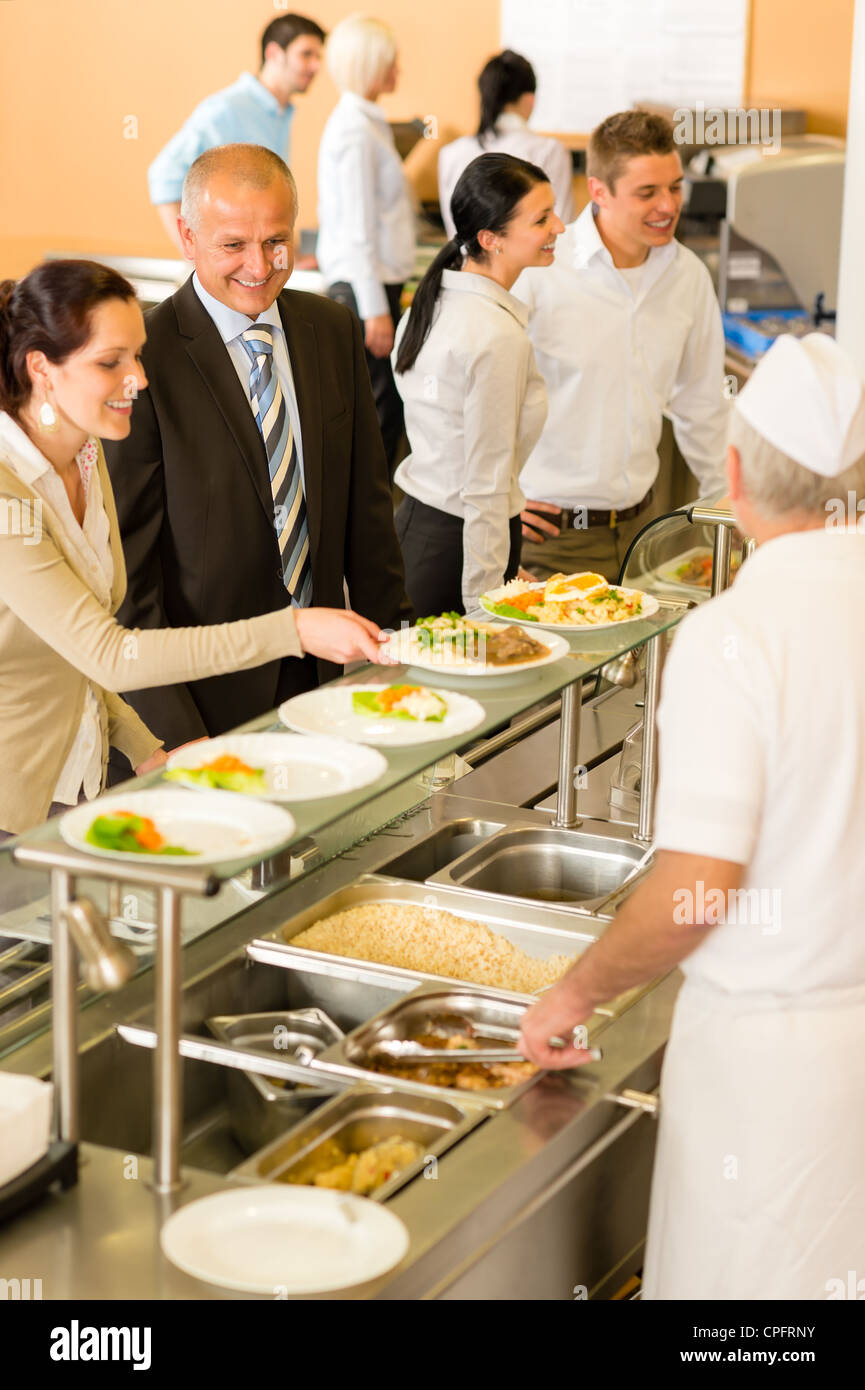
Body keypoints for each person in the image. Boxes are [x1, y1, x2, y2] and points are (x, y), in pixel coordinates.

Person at [520, 333, 865, 1300]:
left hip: (770, 1072)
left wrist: (571, 996)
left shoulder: (734, 637)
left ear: (737, 477)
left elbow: (694, 894)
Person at [0, 260, 391, 838]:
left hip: (79, 774)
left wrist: (145, 746)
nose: (139, 377)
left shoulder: (86, 455)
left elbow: (74, 656)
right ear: (42, 369)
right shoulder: (9, 496)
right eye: (111, 362)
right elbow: (107, 651)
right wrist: (294, 631)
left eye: (137, 354)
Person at [103, 144, 409, 754]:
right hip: (204, 698)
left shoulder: (332, 328)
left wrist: (396, 660)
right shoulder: (143, 359)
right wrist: (175, 735)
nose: (259, 264)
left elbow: (368, 517)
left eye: (277, 240)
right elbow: (131, 580)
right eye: (233, 245)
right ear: (187, 237)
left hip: (326, 677)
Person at [514, 109, 729, 583]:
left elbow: (703, 405)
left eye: (674, 187)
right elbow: (456, 381)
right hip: (549, 539)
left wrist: (728, 515)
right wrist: (495, 501)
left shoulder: (688, 276)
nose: (668, 206)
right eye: (647, 193)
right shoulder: (541, 269)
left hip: (647, 532)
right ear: (598, 191)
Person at [392, 154, 563, 616]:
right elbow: (484, 485)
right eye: (542, 218)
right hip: (460, 552)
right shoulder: (496, 336)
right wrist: (487, 600)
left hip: (422, 532)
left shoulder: (430, 304)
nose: (560, 227)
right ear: (491, 239)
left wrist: (508, 570)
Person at [316, 15, 415, 476]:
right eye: (391, 61)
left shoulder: (368, 124)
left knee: (382, 419)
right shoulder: (355, 130)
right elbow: (356, 228)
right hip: (364, 294)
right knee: (376, 421)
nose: (398, 69)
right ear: (371, 64)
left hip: (373, 289)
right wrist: (375, 309)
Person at [148, 13, 325, 252]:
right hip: (227, 276)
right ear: (273, 53)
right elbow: (163, 174)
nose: (316, 66)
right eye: (306, 54)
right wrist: (193, 256)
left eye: (318, 56)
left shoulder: (281, 114)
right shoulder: (227, 108)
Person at [438, 50, 575, 240]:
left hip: (467, 265)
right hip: (532, 267)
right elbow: (561, 228)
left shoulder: (451, 153)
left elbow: (455, 235)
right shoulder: (548, 151)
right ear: (530, 99)